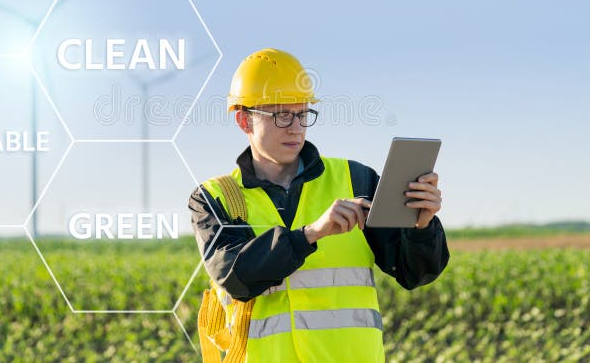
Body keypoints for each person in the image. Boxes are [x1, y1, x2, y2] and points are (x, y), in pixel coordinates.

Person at [188, 48, 449, 363]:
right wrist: (310, 234)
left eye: (302, 113)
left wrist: (421, 226)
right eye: (281, 115)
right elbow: (235, 277)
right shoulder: (214, 198)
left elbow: (414, 273)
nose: (296, 127)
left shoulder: (357, 179)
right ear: (245, 120)